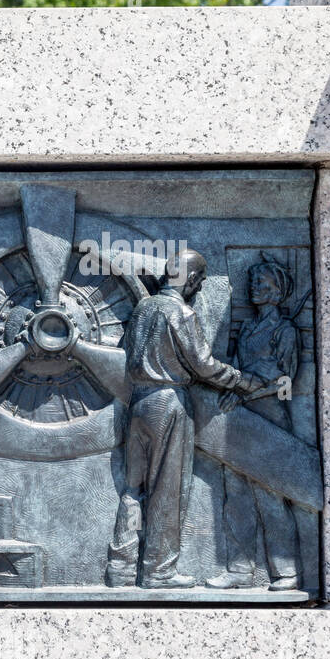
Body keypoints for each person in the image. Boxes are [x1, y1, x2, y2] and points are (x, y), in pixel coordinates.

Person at [106, 250, 264, 589]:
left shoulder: (143, 308)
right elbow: (203, 365)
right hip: (167, 403)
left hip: (138, 404)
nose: (201, 286)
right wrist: (241, 380)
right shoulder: (181, 312)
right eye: (201, 280)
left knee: (133, 487)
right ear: (191, 279)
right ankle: (159, 571)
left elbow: (126, 353)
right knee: (166, 489)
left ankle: (120, 567)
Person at [206, 258, 301, 592]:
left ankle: (286, 572)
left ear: (277, 292)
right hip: (241, 418)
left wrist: (244, 396)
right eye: (253, 282)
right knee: (236, 494)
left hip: (270, 417)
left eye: (262, 283)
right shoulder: (247, 329)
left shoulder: (285, 330)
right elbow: (236, 371)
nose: (254, 288)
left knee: (271, 495)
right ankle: (239, 569)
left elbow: (287, 381)